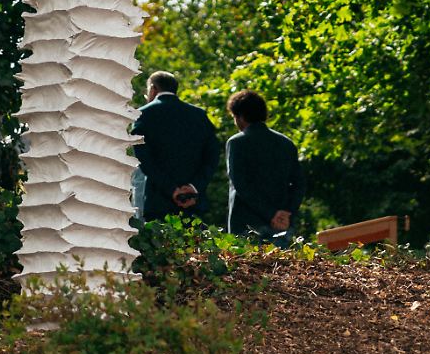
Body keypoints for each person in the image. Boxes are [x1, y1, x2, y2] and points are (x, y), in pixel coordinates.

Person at [131, 71, 220, 223]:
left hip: (158, 202)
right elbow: (212, 156)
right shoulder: (199, 115)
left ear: (152, 89)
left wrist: (171, 189)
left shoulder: (143, 114)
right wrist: (194, 187)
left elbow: (144, 158)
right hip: (193, 202)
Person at [225, 89, 306, 247]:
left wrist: (270, 214)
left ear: (240, 116)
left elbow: (241, 185)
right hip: (281, 223)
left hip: (246, 223)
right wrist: (287, 213)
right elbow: (299, 184)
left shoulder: (236, 143)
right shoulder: (286, 143)